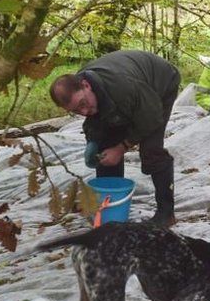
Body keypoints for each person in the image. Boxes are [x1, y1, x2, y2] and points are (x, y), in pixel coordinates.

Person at [50, 50, 180, 226]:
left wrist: (122, 147)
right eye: (75, 111)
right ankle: (108, 204)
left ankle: (166, 214)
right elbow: (95, 120)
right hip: (131, 93)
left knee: (151, 151)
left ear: (86, 85)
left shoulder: (122, 86)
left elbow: (152, 117)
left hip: (160, 83)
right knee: (105, 149)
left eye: (83, 104)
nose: (84, 112)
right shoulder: (89, 93)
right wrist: (93, 143)